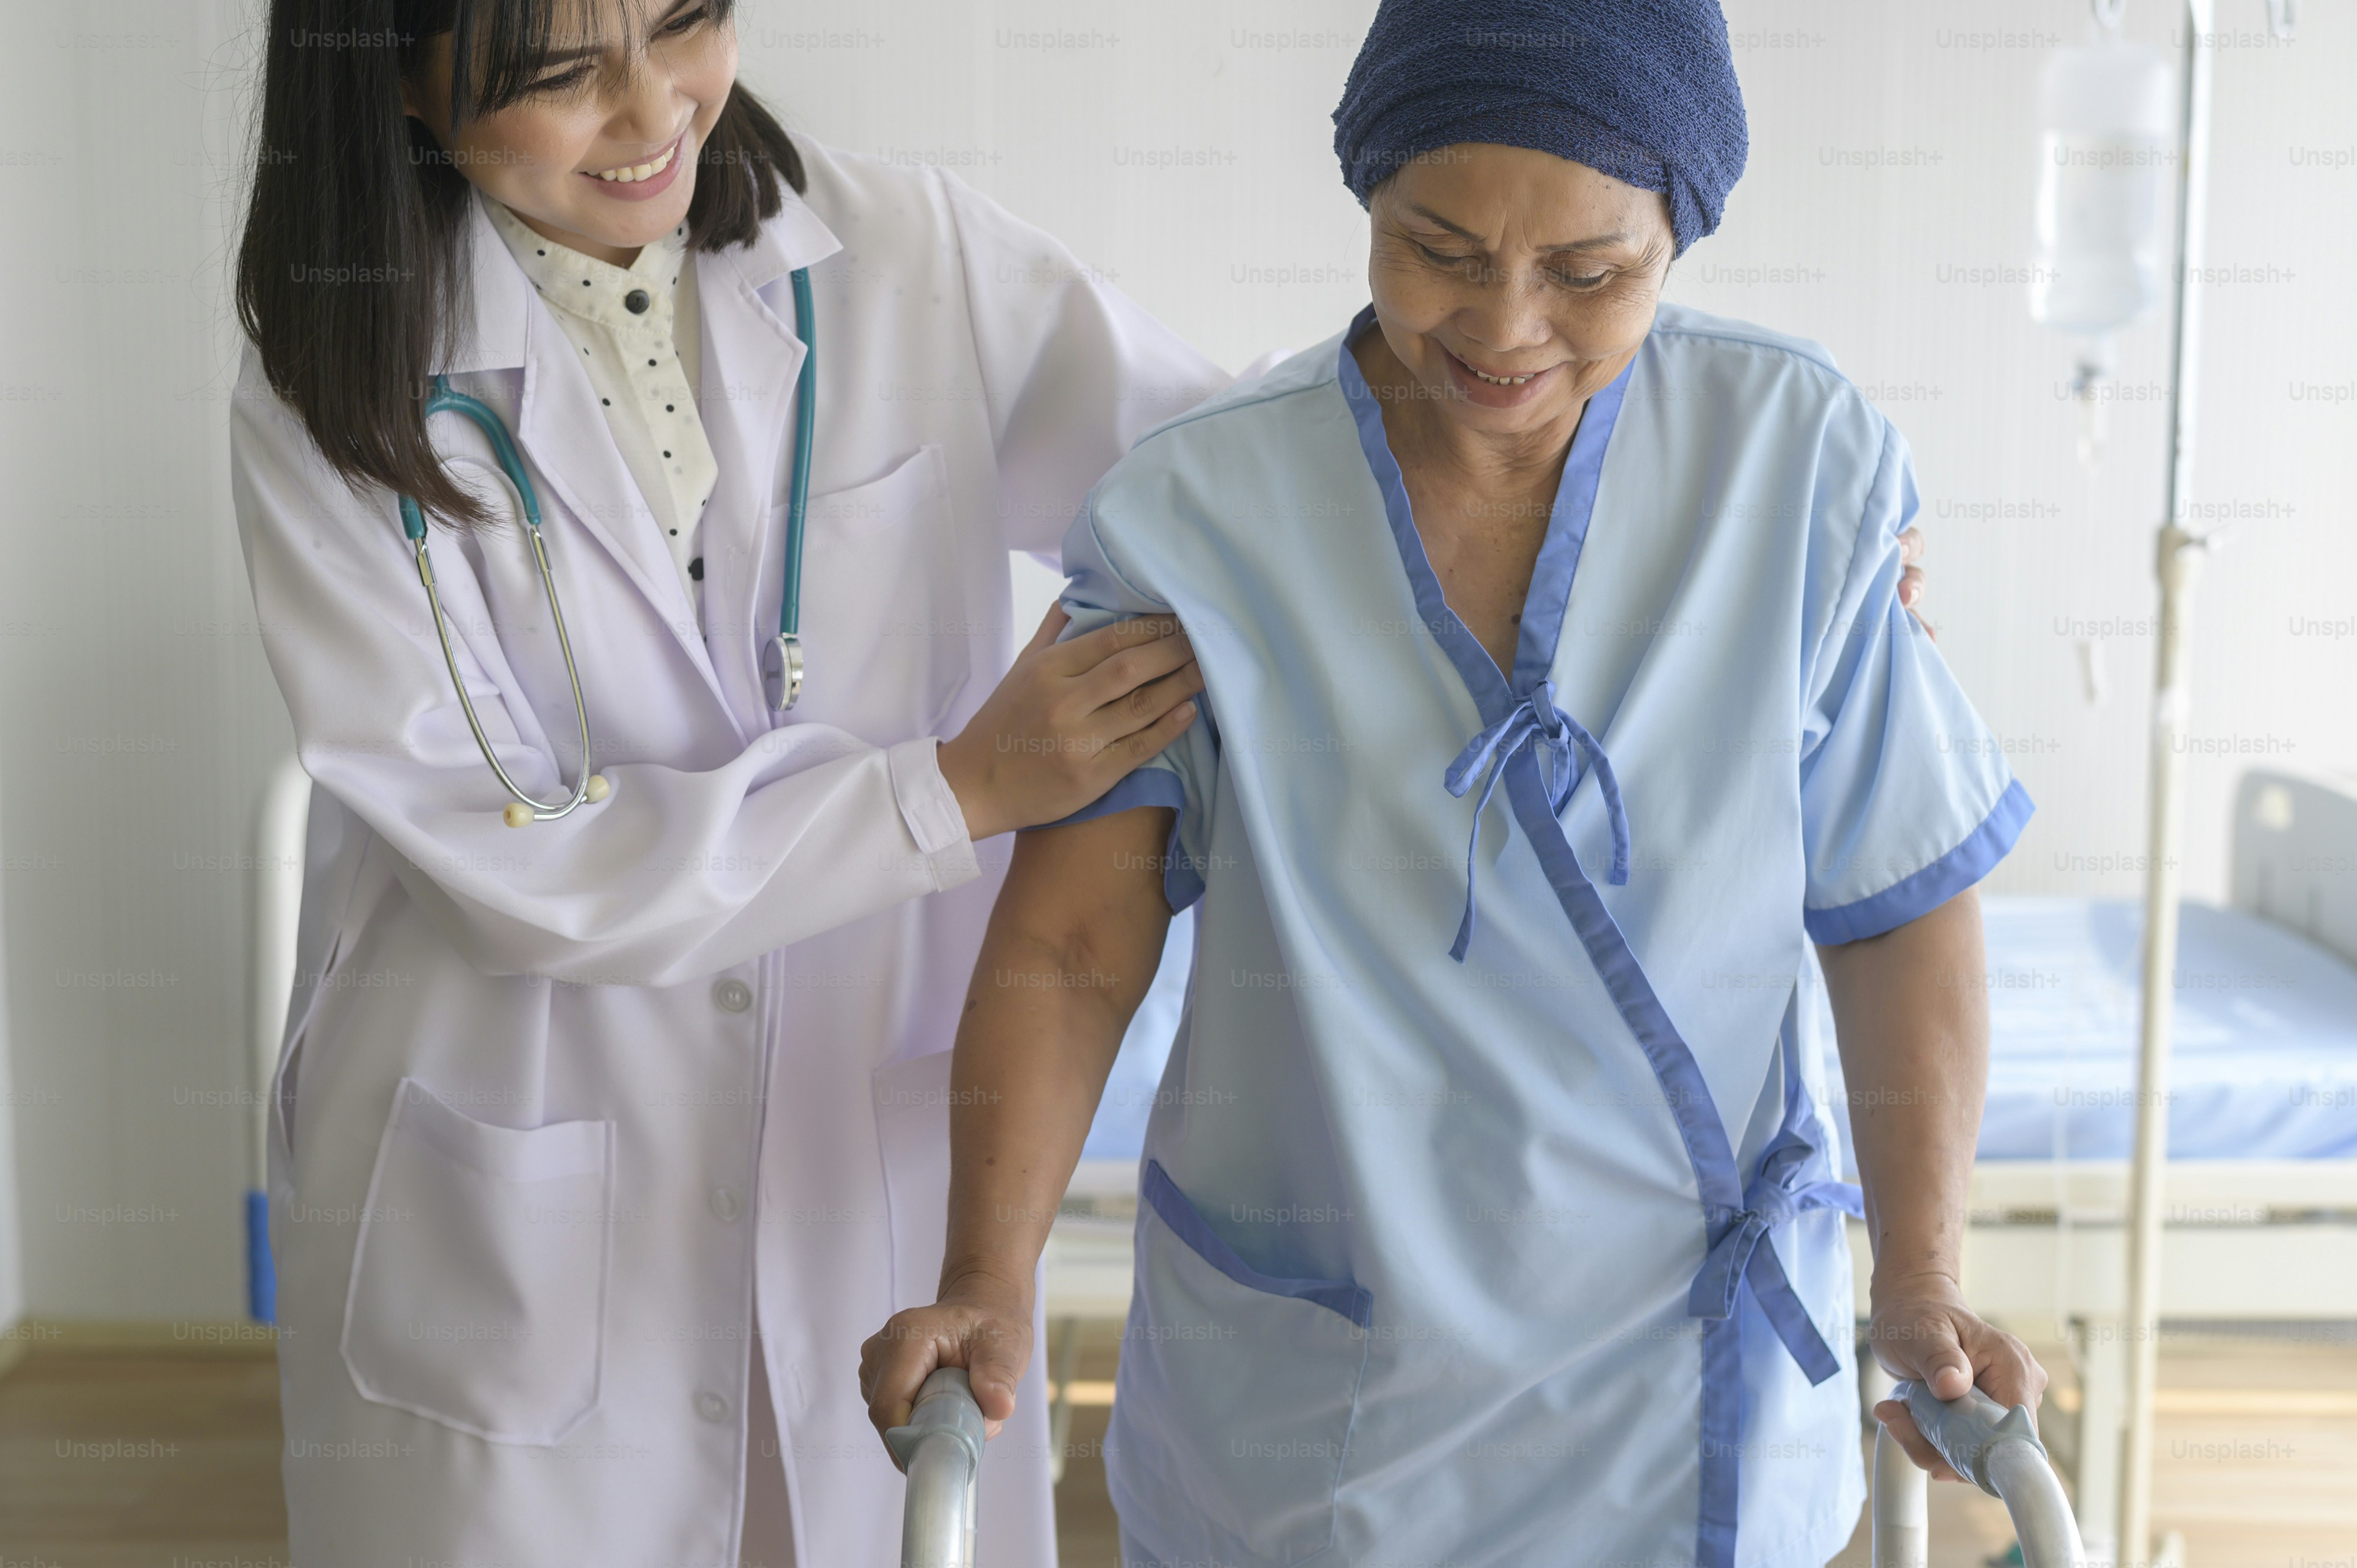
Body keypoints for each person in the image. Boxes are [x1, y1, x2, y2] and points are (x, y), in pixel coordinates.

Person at [858, 2, 2036, 1564]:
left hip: (1686, 1396)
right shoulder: (1199, 517)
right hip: (1331, 1408)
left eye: (1590, 273)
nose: (1503, 328)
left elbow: (1895, 910)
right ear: (1366, 199)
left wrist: (1924, 1275)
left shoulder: (1795, 462)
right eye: (1440, 249)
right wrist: (987, 1278)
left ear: (1679, 234)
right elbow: (1075, 945)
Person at [227, 1, 1220, 1564]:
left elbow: (1235, 484)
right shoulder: (338, 381)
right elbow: (513, 855)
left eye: (684, 19)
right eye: (560, 73)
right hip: (518, 1140)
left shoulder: (914, 258)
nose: (650, 109)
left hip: (862, 1137)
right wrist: (947, 789)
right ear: (402, 79)